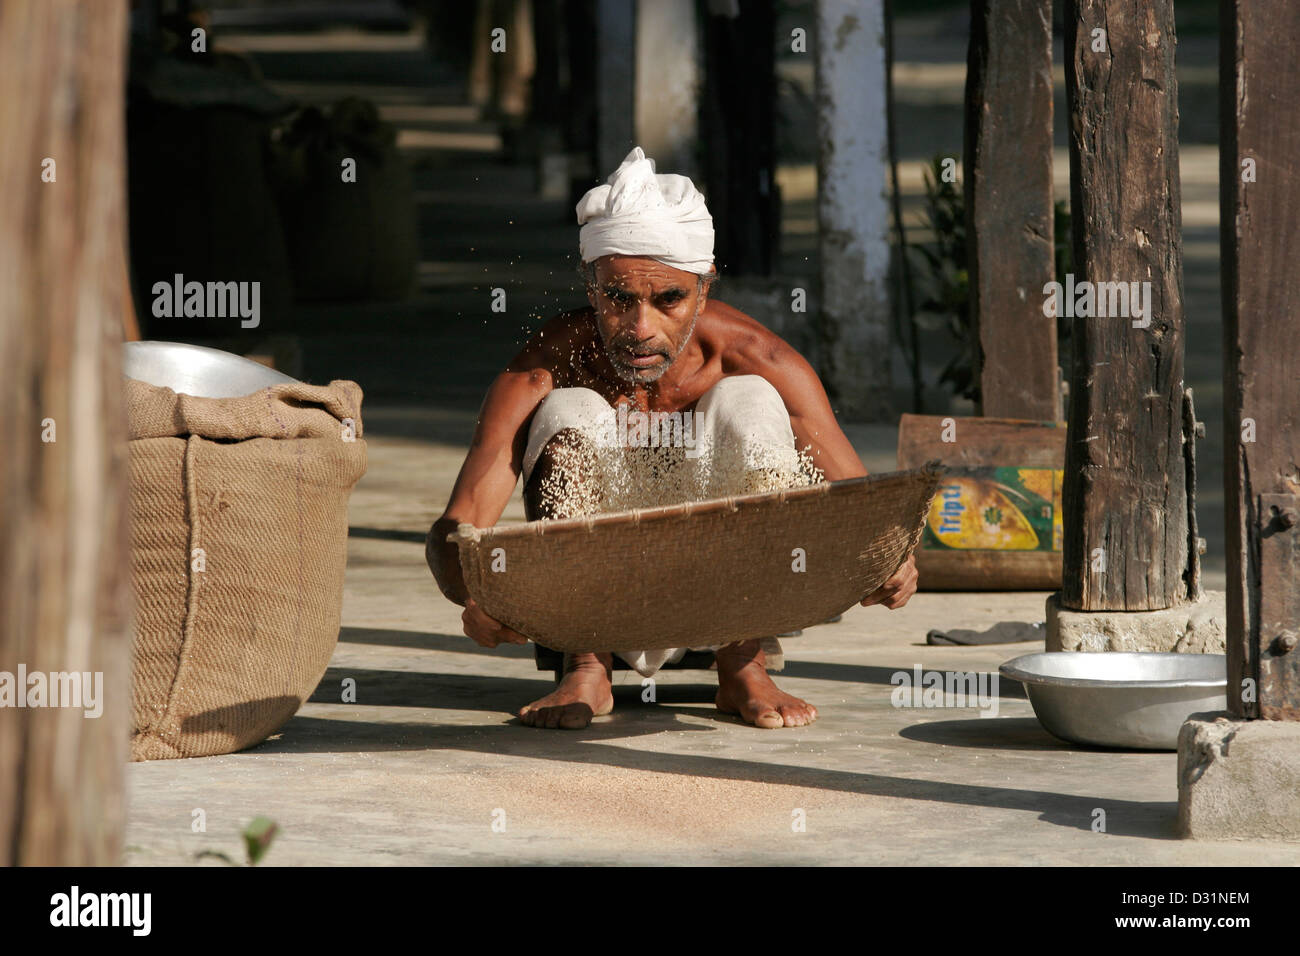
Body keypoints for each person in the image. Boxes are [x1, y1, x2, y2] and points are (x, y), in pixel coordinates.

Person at [426, 146, 918, 730]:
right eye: (618, 299)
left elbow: (864, 506)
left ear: (705, 288)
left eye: (668, 300)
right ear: (590, 284)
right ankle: (586, 665)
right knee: (567, 409)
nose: (640, 330)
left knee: (751, 401)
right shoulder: (545, 366)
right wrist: (473, 595)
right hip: (592, 597)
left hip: (726, 588)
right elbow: (456, 529)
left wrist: (894, 558)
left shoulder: (757, 358)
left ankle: (743, 664)